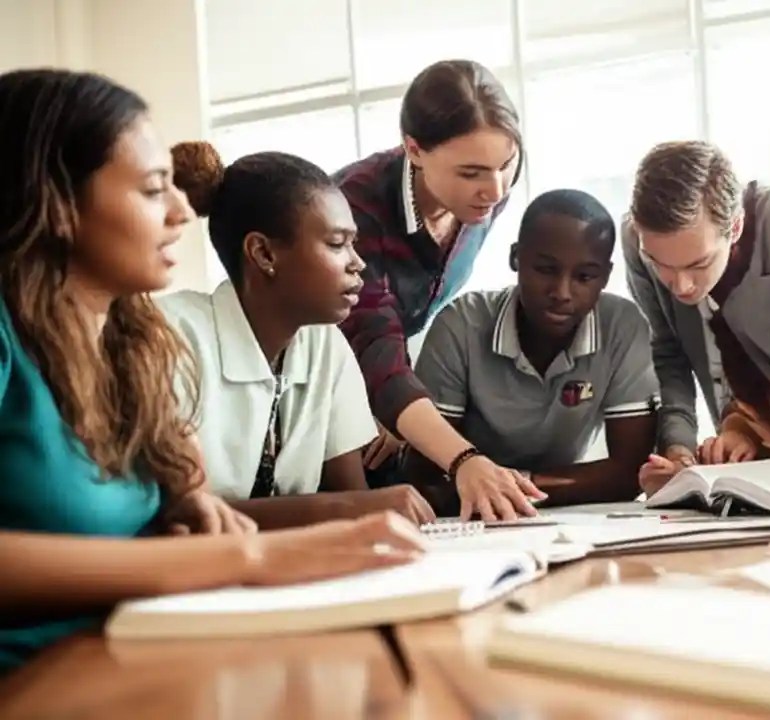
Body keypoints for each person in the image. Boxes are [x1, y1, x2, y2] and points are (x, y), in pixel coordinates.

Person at [0, 69, 426, 673]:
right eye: (153, 190)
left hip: (135, 666)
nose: (181, 211)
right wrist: (249, 559)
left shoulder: (132, 343)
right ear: (57, 203)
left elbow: (166, 520)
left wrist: (185, 514)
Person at [160, 142, 436, 529]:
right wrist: (346, 509)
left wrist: (361, 508)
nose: (358, 263)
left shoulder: (327, 345)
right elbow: (179, 517)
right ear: (263, 254)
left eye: (353, 243)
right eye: (337, 244)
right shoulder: (171, 338)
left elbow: (353, 498)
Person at [334, 59, 545, 520]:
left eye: (505, 164)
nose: (494, 190)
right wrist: (463, 458)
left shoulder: (491, 185)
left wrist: (402, 407)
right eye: (471, 173)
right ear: (414, 149)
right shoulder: (355, 209)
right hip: (314, 376)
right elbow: (371, 341)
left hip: (383, 372)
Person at [622, 141, 770, 494]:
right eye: (661, 266)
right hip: (739, 454)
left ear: (736, 227)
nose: (680, 286)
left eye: (698, 263)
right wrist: (679, 456)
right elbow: (668, 356)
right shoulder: (637, 240)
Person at [410, 190, 659, 515]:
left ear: (605, 277)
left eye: (585, 276)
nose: (562, 293)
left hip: (555, 515)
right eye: (545, 269)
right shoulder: (461, 325)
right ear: (516, 258)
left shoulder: (623, 327)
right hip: (466, 517)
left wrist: (510, 485)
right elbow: (426, 477)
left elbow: (631, 474)